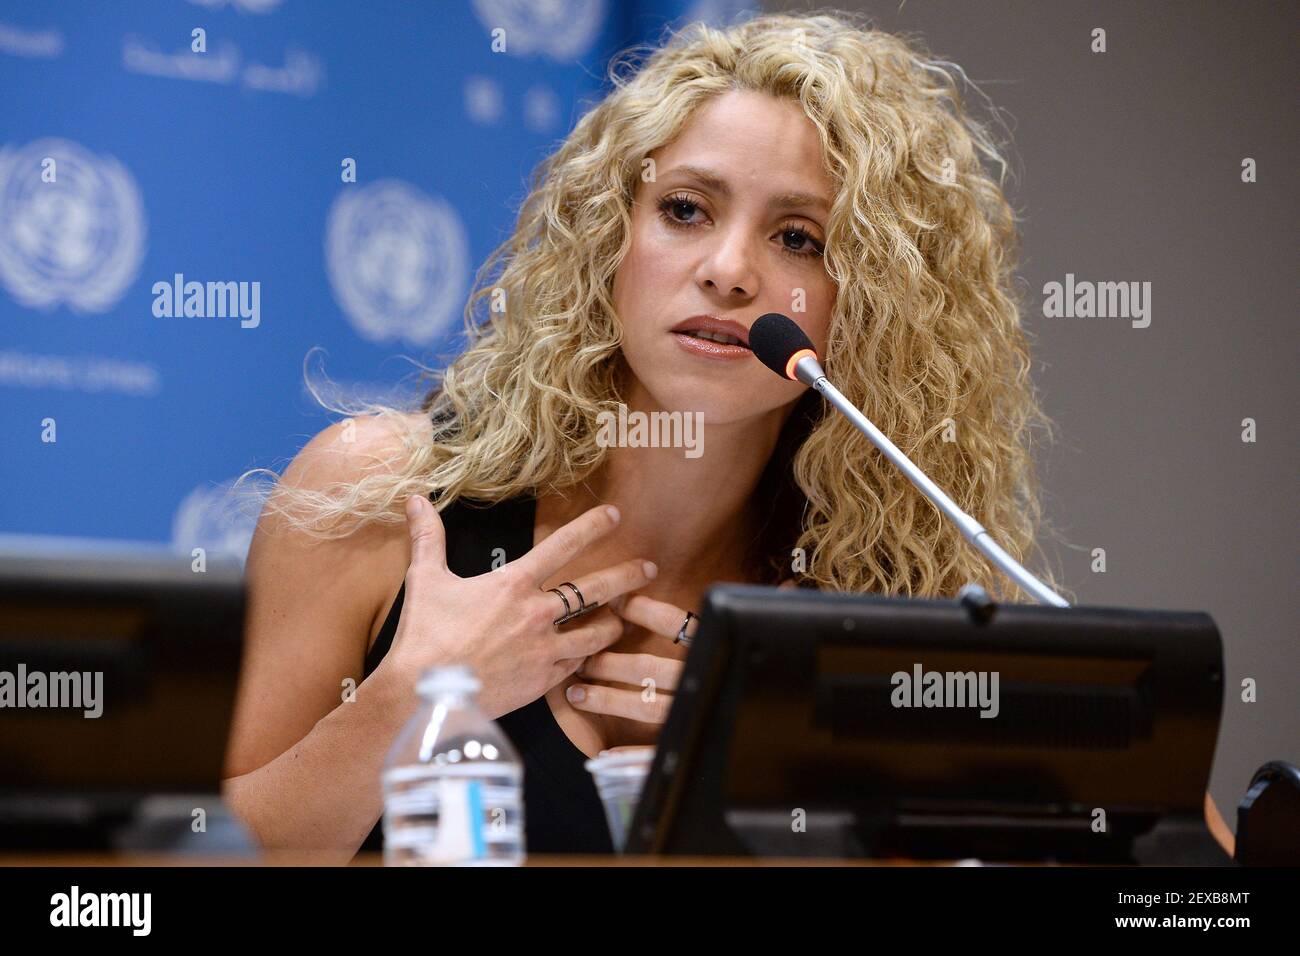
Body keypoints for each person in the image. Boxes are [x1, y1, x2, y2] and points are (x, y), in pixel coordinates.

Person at [222, 12, 1229, 862]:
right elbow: (166, 862)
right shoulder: (388, 497)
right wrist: (405, 696)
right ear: (610, 240)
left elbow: (1191, 867)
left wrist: (799, 795)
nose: (729, 270)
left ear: (869, 302)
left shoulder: (879, 604)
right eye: (685, 209)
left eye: (800, 237)